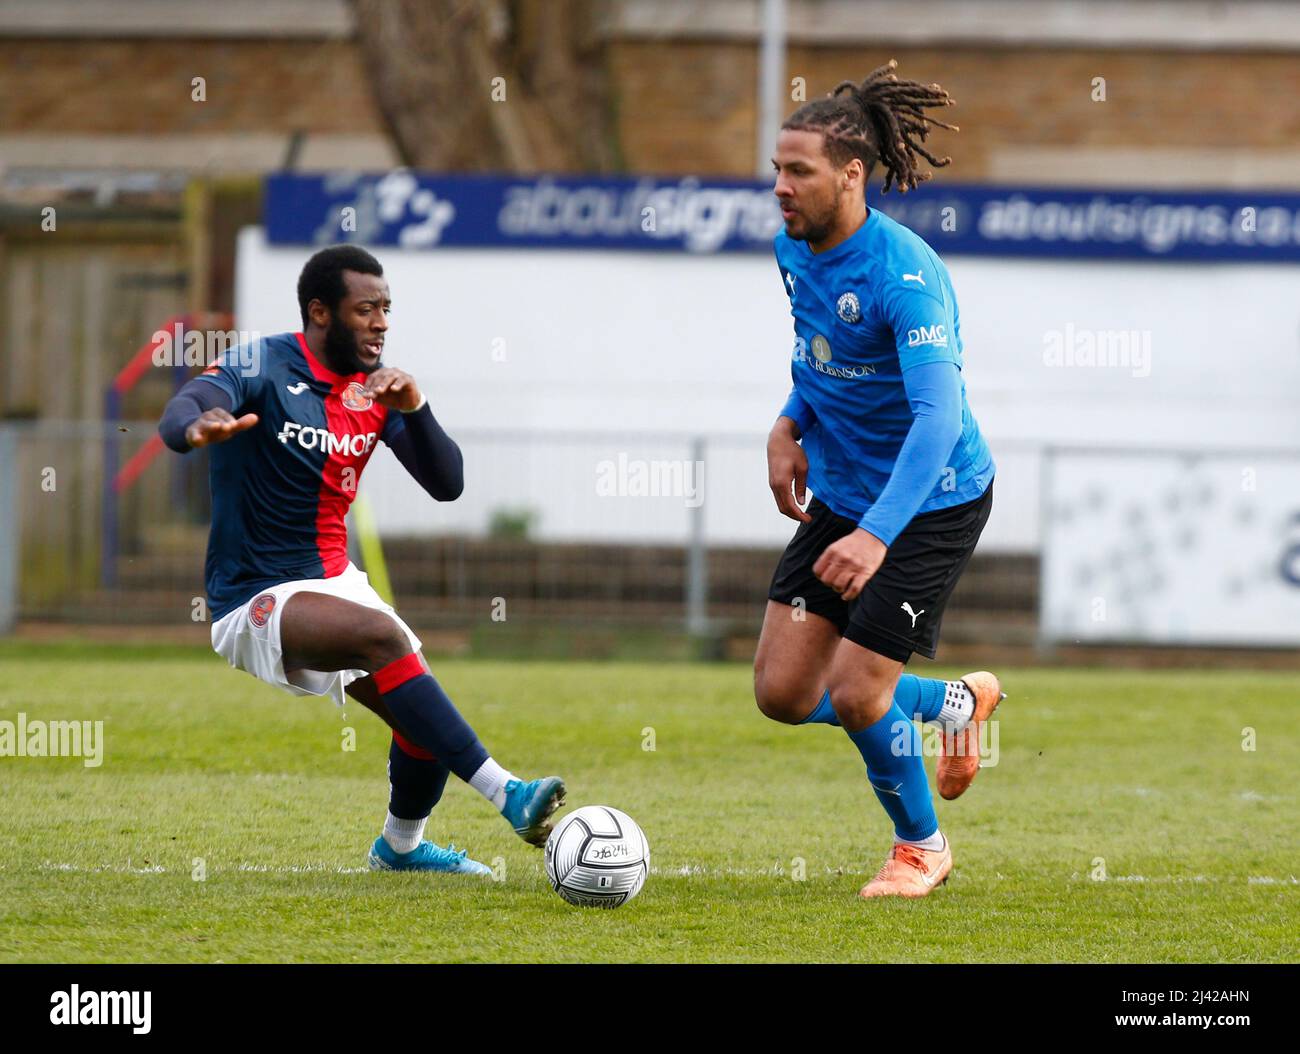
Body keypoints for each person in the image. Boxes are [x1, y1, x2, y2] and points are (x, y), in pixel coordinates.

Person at [158, 245, 565, 876]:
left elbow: (447, 483)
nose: (380, 323)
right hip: (254, 596)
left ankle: (400, 848)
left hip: (334, 581)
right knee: (384, 636)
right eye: (366, 309)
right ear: (321, 312)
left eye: (386, 310)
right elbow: (182, 407)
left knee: (420, 713)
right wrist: (195, 427)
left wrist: (415, 407)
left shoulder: (374, 392)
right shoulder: (261, 363)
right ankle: (507, 792)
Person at [755, 61, 1003, 899]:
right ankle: (954, 704)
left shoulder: (905, 274)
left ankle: (921, 847)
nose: (780, 188)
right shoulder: (793, 248)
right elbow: (823, 356)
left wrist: (875, 534)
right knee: (784, 693)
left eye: (799, 172)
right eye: (777, 171)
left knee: (859, 694)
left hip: (929, 499)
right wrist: (791, 422)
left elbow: (937, 417)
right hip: (846, 493)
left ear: (851, 175)